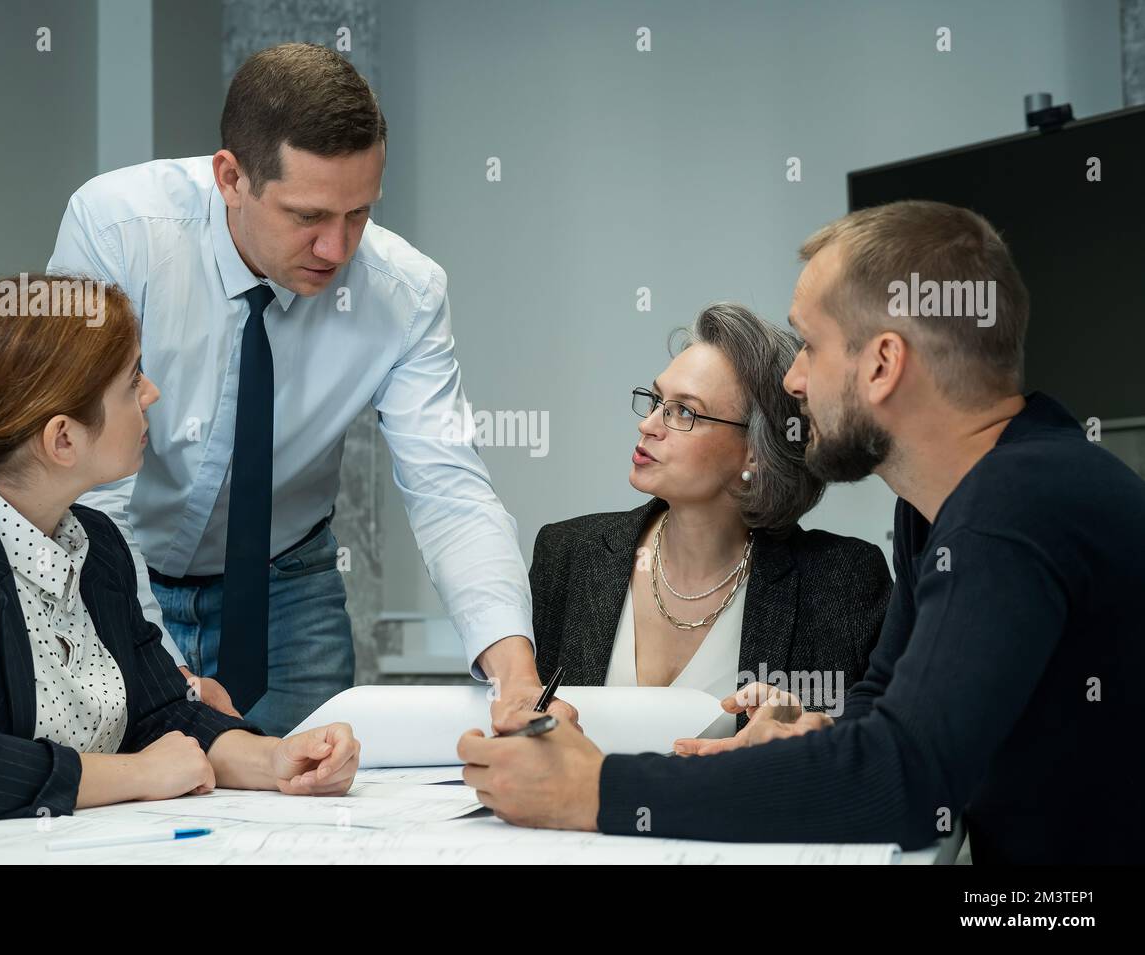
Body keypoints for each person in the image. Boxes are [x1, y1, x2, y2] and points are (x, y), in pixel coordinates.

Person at [457, 200, 1145, 864]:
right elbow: (880, 715)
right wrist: (805, 740)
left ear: (881, 364)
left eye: (810, 346)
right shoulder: (941, 505)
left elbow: (901, 783)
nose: (791, 380)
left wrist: (597, 790)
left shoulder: (1012, 507)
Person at [47, 42, 573, 737]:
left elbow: (450, 490)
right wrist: (162, 672)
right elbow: (87, 482)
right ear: (231, 177)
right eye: (308, 217)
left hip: (288, 594)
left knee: (310, 818)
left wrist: (515, 673)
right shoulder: (116, 232)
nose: (338, 248)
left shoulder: (404, 295)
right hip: (114, 565)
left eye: (359, 213)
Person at [0, 275, 359, 833]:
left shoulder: (97, 543)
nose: (152, 393)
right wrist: (137, 774)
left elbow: (164, 713)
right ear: (62, 439)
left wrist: (276, 761)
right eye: (132, 379)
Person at [529, 302, 888, 738]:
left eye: (684, 412)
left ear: (755, 451)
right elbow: (525, 724)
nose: (649, 425)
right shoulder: (567, 554)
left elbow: (879, 747)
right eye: (658, 400)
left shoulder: (841, 582)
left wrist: (809, 734)